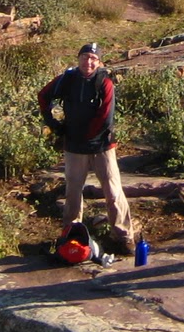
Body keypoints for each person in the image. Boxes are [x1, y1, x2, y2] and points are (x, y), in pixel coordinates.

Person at [39, 42, 135, 252]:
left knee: (113, 191)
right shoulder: (68, 79)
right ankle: (71, 236)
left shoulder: (104, 82)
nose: (88, 61)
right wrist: (53, 123)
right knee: (73, 192)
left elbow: (105, 117)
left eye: (93, 58)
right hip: (74, 147)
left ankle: (123, 237)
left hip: (101, 145)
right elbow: (44, 95)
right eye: (84, 57)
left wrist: (85, 135)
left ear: (99, 62)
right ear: (78, 59)